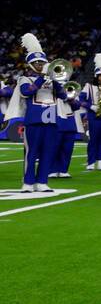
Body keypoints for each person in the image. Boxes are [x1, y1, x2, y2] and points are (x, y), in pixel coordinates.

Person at [5, 33, 61, 192]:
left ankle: (42, 181)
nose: (39, 65)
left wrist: (55, 81)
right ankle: (28, 182)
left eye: (42, 62)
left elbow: (63, 96)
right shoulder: (25, 79)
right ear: (30, 64)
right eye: (36, 63)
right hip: (34, 121)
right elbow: (26, 93)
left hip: (51, 120)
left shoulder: (51, 80)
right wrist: (41, 78)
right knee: (31, 152)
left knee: (48, 152)